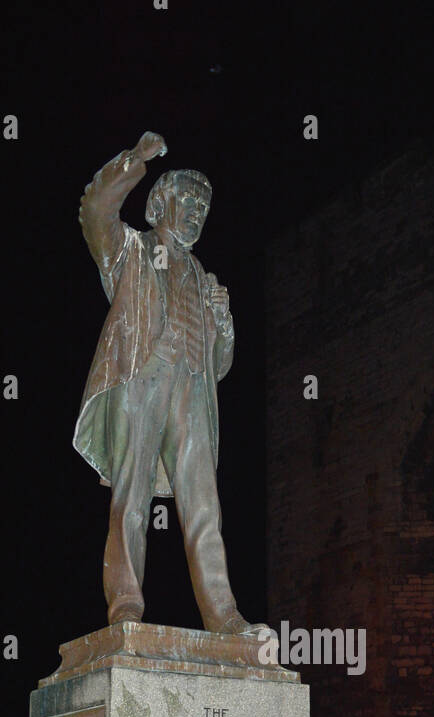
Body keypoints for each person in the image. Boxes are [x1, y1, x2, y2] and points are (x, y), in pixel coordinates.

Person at [74, 131, 263, 635]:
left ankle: (223, 614)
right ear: (161, 203)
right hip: (142, 377)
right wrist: (133, 161)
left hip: (190, 389)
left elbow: (219, 364)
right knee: (130, 499)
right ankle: (126, 608)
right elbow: (95, 213)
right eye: (188, 199)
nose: (198, 210)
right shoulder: (129, 250)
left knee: (205, 506)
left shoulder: (204, 276)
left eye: (205, 204)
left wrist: (224, 326)